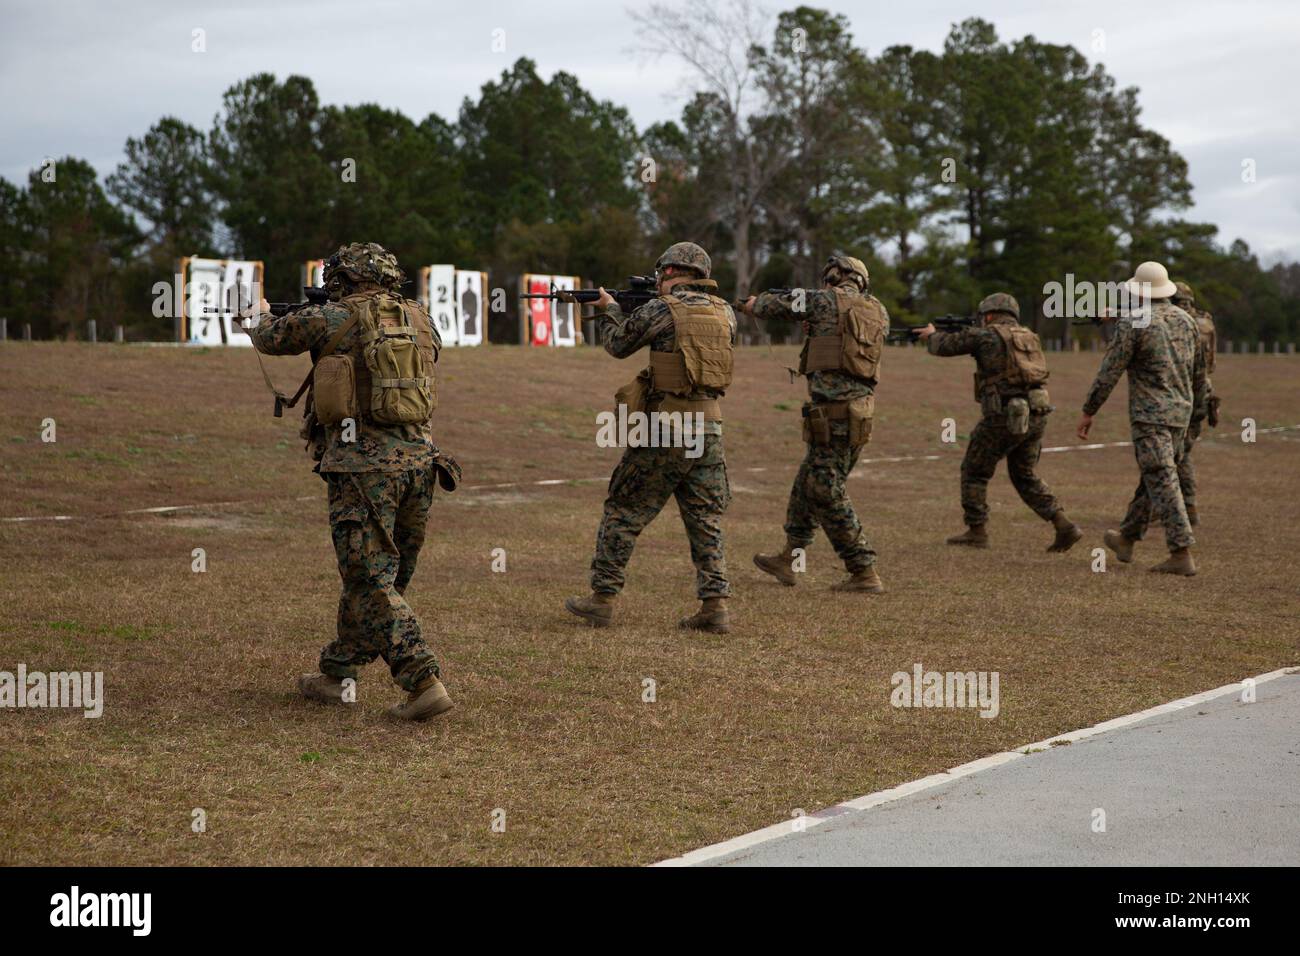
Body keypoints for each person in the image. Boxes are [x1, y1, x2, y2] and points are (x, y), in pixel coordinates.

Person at [240, 242, 456, 720]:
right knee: (382, 575)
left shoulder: (334, 316)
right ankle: (339, 671)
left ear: (342, 280)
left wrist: (255, 315)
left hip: (364, 469)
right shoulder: (418, 317)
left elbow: (273, 339)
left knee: (367, 577)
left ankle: (421, 679)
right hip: (421, 464)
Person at [564, 241, 736, 634]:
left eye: (662, 273)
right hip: (709, 426)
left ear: (672, 272)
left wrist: (609, 310)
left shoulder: (663, 308)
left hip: (668, 426)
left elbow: (618, 345)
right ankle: (715, 605)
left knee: (624, 508)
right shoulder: (725, 312)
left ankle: (602, 600)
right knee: (704, 516)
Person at [743, 255, 888, 592]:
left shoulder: (824, 300)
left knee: (825, 489)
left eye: (827, 277)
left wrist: (752, 305)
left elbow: (781, 305)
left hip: (837, 414)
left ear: (836, 276)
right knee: (806, 485)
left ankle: (863, 569)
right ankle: (790, 559)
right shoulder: (878, 310)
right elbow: (844, 346)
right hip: (855, 412)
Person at [918, 293, 1082, 552]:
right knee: (1024, 475)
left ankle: (977, 530)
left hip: (1004, 414)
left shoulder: (986, 335)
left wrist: (932, 335)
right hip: (1037, 412)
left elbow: (944, 347)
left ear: (991, 315)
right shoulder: (1029, 336)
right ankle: (1064, 524)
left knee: (974, 470)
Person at [1078, 261, 1207, 575]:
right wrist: (1197, 413)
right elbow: (1199, 373)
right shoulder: (1187, 320)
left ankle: (1181, 551)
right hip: (1181, 413)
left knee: (1162, 477)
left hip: (1151, 417)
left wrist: (1089, 410)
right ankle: (1127, 538)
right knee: (1154, 476)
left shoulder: (1134, 321)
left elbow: (1109, 371)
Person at [1169, 281, 1220, 525]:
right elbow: (1211, 363)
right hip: (1203, 393)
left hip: (1180, 394)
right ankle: (1187, 507)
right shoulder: (1205, 322)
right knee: (1182, 452)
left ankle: (1181, 508)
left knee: (1171, 455)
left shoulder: (1177, 322)